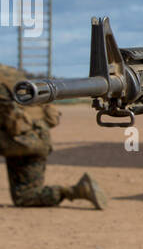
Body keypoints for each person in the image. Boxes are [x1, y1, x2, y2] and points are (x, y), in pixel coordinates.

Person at [0, 62, 106, 209]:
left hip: (19, 140)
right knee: (26, 197)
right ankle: (77, 191)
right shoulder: (10, 72)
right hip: (39, 137)